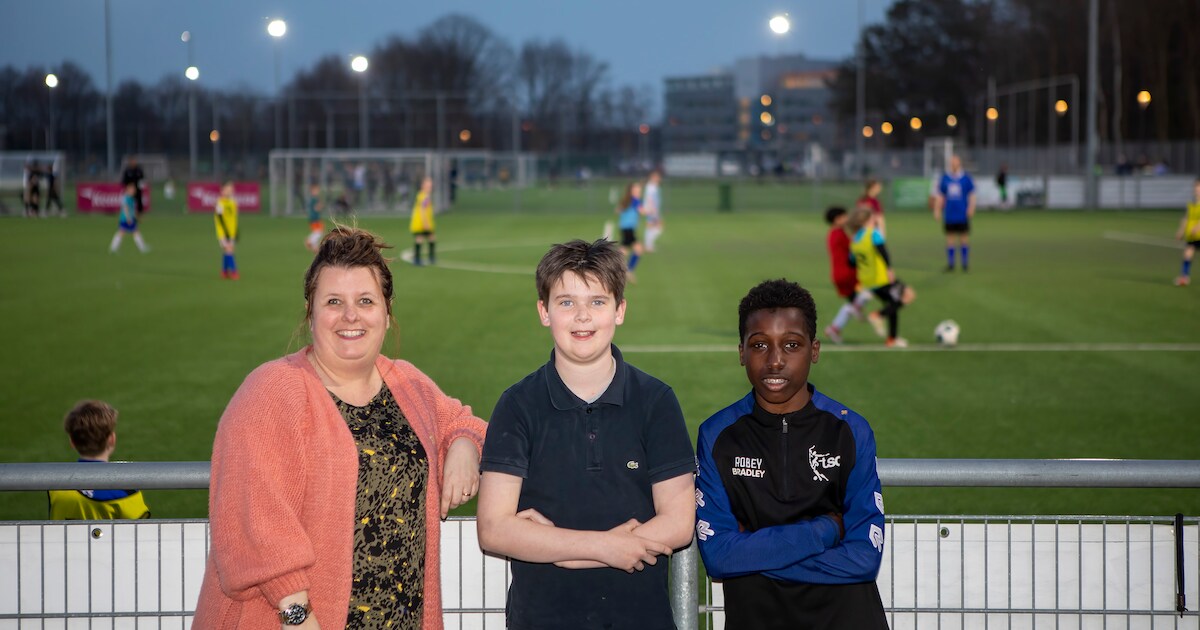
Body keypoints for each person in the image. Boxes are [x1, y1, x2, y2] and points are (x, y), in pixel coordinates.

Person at [193, 227, 487, 630]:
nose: (351, 315)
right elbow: (256, 519)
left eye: (365, 301)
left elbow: (463, 421)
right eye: (334, 301)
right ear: (310, 313)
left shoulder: (407, 383)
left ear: (386, 314)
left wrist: (464, 445)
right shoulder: (273, 390)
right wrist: (297, 616)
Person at [477, 239, 696, 630]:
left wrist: (565, 552)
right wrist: (604, 548)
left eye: (597, 301)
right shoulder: (517, 404)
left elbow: (679, 521)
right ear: (544, 312)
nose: (582, 316)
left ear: (620, 310)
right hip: (541, 620)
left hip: (639, 620)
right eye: (566, 302)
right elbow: (494, 529)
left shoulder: (656, 400)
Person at [695, 279, 888, 629]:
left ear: (814, 350)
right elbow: (720, 557)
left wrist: (752, 553)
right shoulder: (717, 435)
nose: (775, 361)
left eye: (792, 345)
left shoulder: (850, 431)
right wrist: (825, 531)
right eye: (759, 345)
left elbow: (864, 558)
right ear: (741, 352)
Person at [48, 400, 151, 520]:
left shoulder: (56, 486)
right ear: (112, 439)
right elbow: (140, 529)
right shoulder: (125, 490)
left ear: (72, 442)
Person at [849, 207, 913, 348]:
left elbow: (852, 262)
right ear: (867, 220)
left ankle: (892, 339)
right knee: (908, 295)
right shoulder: (873, 234)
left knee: (892, 303)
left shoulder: (855, 239)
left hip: (867, 280)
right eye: (873, 218)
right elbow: (883, 252)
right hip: (881, 278)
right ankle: (878, 315)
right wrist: (889, 269)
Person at [822, 206, 871, 345]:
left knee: (854, 301)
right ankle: (856, 310)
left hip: (840, 273)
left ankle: (834, 329)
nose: (847, 219)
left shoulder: (834, 233)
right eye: (844, 216)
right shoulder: (839, 234)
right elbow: (853, 249)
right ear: (837, 219)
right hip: (847, 274)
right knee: (867, 293)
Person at [933, 154, 976, 271]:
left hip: (962, 214)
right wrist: (937, 210)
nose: (953, 164)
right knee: (950, 238)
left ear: (959, 163)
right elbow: (940, 196)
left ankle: (964, 264)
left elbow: (972, 194)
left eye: (955, 162)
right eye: (952, 162)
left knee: (964, 238)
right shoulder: (945, 178)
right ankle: (951, 264)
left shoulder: (966, 178)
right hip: (949, 214)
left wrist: (971, 208)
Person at [615, 181, 645, 281]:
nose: (639, 192)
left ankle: (621, 269)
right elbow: (642, 211)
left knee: (623, 250)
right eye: (637, 190)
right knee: (638, 249)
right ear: (632, 191)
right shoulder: (635, 200)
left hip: (625, 228)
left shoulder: (627, 200)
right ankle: (628, 270)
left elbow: (617, 210)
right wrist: (651, 210)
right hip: (628, 229)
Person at [109, 182, 149, 253]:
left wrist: (137, 218)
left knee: (132, 232)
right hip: (126, 219)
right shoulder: (126, 198)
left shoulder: (131, 198)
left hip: (130, 218)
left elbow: (132, 210)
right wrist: (128, 218)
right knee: (124, 232)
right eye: (132, 189)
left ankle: (114, 248)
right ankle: (142, 248)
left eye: (134, 189)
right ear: (128, 190)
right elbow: (125, 208)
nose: (134, 191)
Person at [1174, 179, 1200, 287]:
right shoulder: (1191, 204)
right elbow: (1185, 218)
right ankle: (1184, 277)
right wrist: (1180, 231)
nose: (1197, 190)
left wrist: (1198, 227)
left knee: (1188, 253)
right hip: (1192, 235)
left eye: (1199, 188)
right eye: (1196, 188)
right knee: (1187, 254)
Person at [214, 182, 240, 279]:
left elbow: (234, 218)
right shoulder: (219, 202)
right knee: (229, 250)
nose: (230, 191)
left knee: (228, 250)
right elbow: (220, 218)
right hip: (223, 231)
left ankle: (224, 271)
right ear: (222, 190)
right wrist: (226, 232)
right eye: (228, 189)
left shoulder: (233, 202)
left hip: (232, 231)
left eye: (231, 189)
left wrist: (236, 231)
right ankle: (234, 272)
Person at [410, 176, 436, 266]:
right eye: (428, 186)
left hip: (424, 221)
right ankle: (417, 259)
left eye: (430, 186)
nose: (430, 187)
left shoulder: (424, 196)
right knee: (419, 238)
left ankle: (431, 257)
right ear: (423, 186)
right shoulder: (423, 196)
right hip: (421, 222)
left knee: (431, 237)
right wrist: (425, 222)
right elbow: (422, 210)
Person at [643, 170, 665, 252]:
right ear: (653, 177)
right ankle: (648, 245)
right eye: (657, 177)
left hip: (654, 209)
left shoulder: (654, 186)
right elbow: (649, 199)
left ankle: (649, 244)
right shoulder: (651, 187)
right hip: (652, 210)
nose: (659, 179)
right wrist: (652, 210)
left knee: (654, 227)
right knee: (656, 227)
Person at [305, 183, 325, 252]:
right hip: (315, 218)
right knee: (318, 232)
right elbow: (316, 208)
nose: (317, 191)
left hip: (314, 217)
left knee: (318, 231)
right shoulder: (314, 199)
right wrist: (321, 205)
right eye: (316, 190)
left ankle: (314, 247)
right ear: (312, 191)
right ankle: (309, 240)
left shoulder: (313, 199)